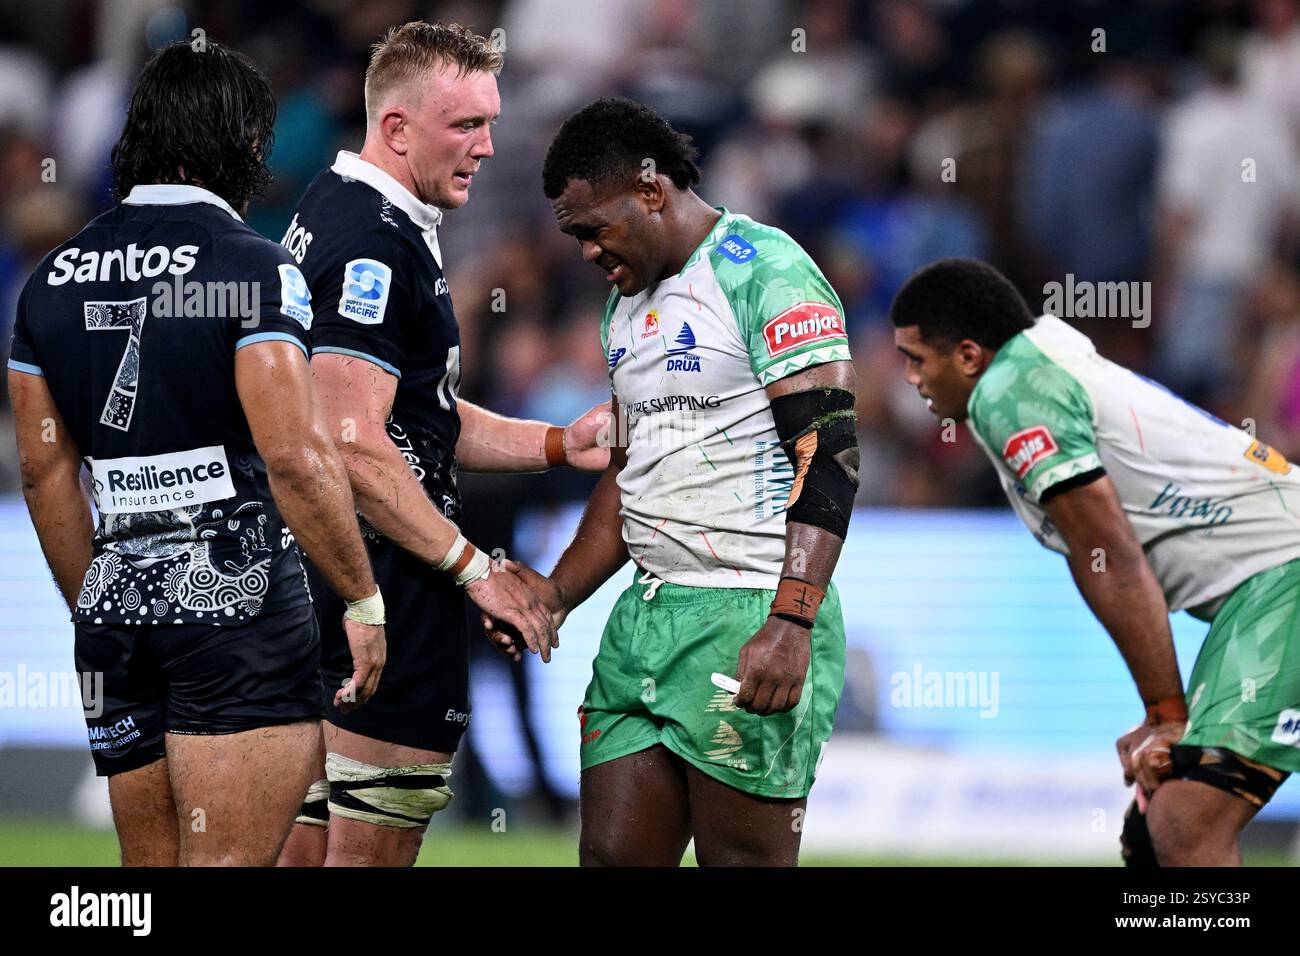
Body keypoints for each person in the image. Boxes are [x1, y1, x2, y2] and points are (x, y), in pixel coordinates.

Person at [6, 40, 385, 866]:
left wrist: (100, 601)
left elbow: (43, 471)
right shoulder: (255, 269)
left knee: (146, 880)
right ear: (245, 145)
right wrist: (362, 599)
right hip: (238, 614)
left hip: (115, 614)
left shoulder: (52, 278)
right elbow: (293, 455)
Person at [276, 21, 608, 868]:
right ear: (395, 127)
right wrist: (474, 571)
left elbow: (422, 419)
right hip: (381, 581)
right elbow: (354, 442)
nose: (488, 147)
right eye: (465, 126)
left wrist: (557, 444)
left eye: (490, 123)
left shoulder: (341, 207)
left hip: (315, 573)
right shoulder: (372, 244)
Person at [501, 98, 859, 866]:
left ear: (652, 189)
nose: (588, 252)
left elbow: (829, 452)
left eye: (594, 228)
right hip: (646, 621)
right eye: (574, 236)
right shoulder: (623, 309)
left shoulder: (765, 268)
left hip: (752, 610)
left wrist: (792, 621)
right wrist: (554, 596)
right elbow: (630, 477)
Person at [890, 257, 1300, 866]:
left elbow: (1111, 557)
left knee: (1185, 818)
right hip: (1264, 580)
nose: (909, 378)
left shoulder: (1012, 395)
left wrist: (1165, 714)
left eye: (917, 359)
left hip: (1282, 573)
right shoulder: (1034, 362)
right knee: (1156, 829)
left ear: (971, 356)